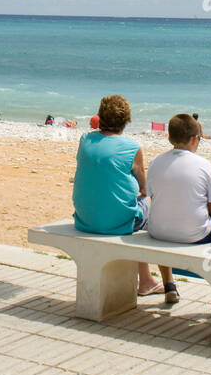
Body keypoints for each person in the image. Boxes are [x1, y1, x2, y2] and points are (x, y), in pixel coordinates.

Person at [72, 94, 174, 300]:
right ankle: (160, 280)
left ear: (100, 116)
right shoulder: (131, 147)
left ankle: (146, 279)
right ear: (126, 120)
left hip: (85, 218)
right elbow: (145, 188)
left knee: (125, 204)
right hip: (116, 223)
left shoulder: (85, 140)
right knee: (151, 204)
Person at [146, 114, 211, 304]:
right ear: (195, 138)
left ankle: (169, 283)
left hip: (158, 231)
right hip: (194, 234)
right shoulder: (204, 165)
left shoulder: (156, 162)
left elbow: (153, 196)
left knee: (167, 213)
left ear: (170, 138)